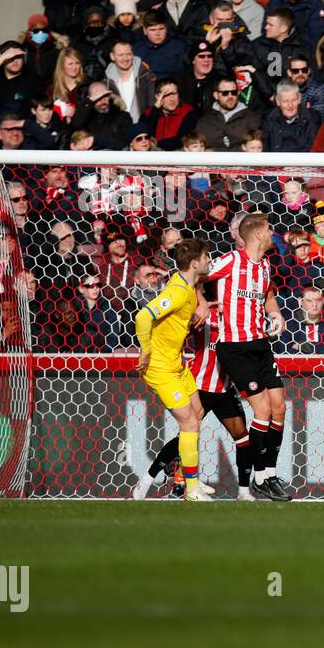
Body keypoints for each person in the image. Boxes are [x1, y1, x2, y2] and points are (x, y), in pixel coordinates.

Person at [207, 213, 293, 502]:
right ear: (257, 235)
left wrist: (276, 312)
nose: (272, 233)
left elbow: (268, 295)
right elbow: (195, 277)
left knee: (279, 407)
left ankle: (269, 473)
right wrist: (199, 306)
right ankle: (258, 478)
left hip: (260, 344)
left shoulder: (266, 266)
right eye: (269, 229)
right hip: (234, 347)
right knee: (263, 411)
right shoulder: (231, 261)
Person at [134, 297, 255, 502]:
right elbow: (175, 334)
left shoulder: (239, 316)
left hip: (225, 388)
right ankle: (146, 481)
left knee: (243, 438)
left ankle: (243, 492)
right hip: (199, 386)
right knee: (187, 433)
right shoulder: (203, 314)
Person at [133, 238, 214, 502]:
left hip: (177, 364)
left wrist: (201, 302)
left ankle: (188, 478)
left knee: (198, 413)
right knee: (189, 422)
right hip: (160, 368)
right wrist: (145, 350)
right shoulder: (178, 292)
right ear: (194, 263)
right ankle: (190, 489)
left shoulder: (186, 284)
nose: (209, 260)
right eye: (205, 257)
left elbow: (194, 283)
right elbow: (143, 316)